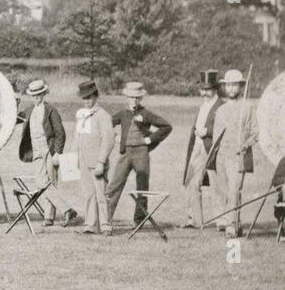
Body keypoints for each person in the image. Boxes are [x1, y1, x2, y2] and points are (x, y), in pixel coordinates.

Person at [105, 81, 172, 226]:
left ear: (141, 99)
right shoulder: (123, 114)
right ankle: (106, 218)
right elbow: (106, 123)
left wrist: (149, 139)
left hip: (141, 153)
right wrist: (116, 137)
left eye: (136, 98)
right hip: (125, 154)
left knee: (142, 185)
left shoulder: (146, 114)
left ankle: (139, 220)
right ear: (126, 98)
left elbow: (166, 126)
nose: (134, 100)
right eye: (131, 97)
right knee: (115, 184)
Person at [17, 78, 72, 225]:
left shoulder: (51, 110)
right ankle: (67, 210)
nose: (36, 98)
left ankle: (49, 217)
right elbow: (14, 119)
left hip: (49, 149)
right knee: (41, 182)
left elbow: (60, 133)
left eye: (39, 95)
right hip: (35, 150)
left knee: (50, 183)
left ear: (43, 94)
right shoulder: (29, 110)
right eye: (34, 95)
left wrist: (57, 153)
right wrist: (14, 105)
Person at [212, 68, 257, 239]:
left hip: (239, 156)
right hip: (222, 155)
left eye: (235, 85)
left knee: (234, 190)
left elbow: (255, 133)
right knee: (223, 190)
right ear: (224, 87)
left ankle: (232, 224)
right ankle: (232, 221)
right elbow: (216, 136)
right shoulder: (221, 110)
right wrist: (214, 157)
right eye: (228, 85)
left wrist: (244, 145)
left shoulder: (248, 107)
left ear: (241, 86)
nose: (231, 89)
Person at [73, 80, 115, 235]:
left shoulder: (103, 116)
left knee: (102, 194)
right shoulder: (81, 115)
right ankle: (90, 225)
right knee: (88, 194)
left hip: (97, 162)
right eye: (84, 98)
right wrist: (74, 158)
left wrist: (101, 162)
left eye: (89, 98)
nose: (86, 101)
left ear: (96, 97)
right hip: (83, 161)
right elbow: (76, 138)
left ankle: (106, 225)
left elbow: (108, 140)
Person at [181, 70, 222, 228]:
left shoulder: (221, 106)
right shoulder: (204, 105)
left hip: (213, 149)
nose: (204, 92)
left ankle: (222, 220)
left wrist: (208, 132)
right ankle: (195, 221)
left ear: (215, 89)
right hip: (198, 146)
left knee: (217, 185)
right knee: (190, 181)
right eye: (202, 89)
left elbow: (226, 127)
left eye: (208, 89)